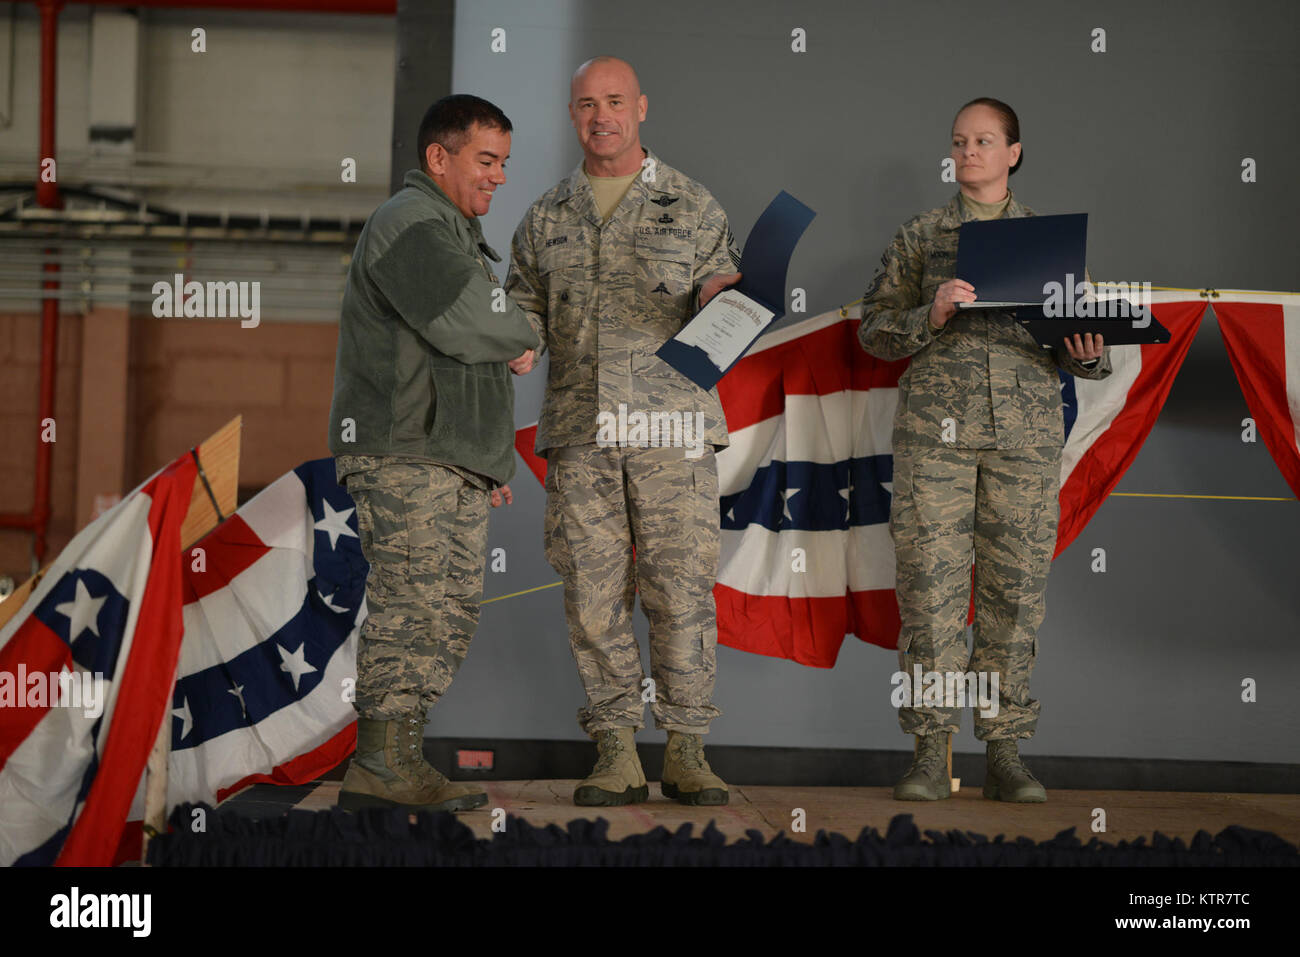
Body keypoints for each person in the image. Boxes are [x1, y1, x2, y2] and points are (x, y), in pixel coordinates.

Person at [858, 97, 1111, 803]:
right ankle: (931, 753)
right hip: (935, 440)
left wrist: (1086, 353)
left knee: (1015, 593)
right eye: (959, 141)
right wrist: (928, 313)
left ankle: (1005, 752)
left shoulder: (1047, 241)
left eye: (984, 141)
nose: (969, 152)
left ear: (1013, 153)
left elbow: (1085, 349)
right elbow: (873, 333)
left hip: (1024, 440)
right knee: (932, 593)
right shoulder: (920, 235)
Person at [505, 56, 741, 807]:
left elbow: (730, 307)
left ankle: (686, 749)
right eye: (584, 104)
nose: (600, 115)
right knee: (593, 593)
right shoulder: (544, 216)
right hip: (582, 431)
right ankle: (615, 751)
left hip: (672, 429)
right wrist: (516, 339)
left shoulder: (694, 205)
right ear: (570, 114)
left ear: (641, 107)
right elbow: (522, 311)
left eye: (613, 101)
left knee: (680, 589)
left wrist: (717, 296)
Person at [327, 94, 541, 812]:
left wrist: (485, 461)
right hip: (405, 452)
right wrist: (519, 332)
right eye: (487, 160)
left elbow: (472, 340)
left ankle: (401, 760)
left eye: (504, 163)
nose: (499, 177)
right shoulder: (411, 222)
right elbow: (469, 322)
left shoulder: (452, 231)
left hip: (448, 457)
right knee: (411, 603)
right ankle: (378, 766)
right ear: (437, 158)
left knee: (447, 610)